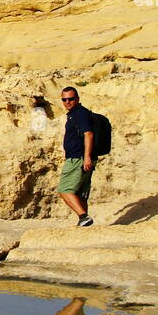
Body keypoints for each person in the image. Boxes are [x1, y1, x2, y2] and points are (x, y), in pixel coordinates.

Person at [56, 86, 95, 227]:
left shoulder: (80, 113)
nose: (67, 102)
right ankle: (84, 224)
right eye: (64, 99)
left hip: (77, 159)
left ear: (77, 99)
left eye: (71, 99)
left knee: (64, 190)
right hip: (81, 158)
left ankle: (83, 216)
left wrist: (87, 157)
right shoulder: (76, 113)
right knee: (80, 193)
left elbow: (88, 134)